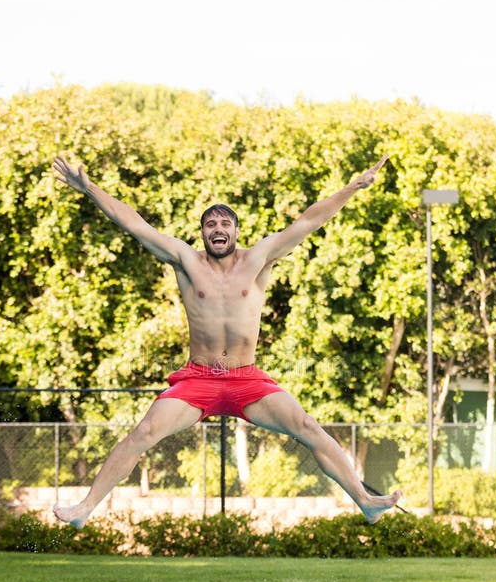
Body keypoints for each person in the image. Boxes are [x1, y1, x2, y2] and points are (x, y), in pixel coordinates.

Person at [52, 153, 404, 528]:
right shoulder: (185, 260)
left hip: (246, 380)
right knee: (145, 432)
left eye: (225, 223)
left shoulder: (259, 259)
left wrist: (353, 186)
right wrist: (89, 189)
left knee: (307, 426)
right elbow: (134, 224)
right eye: (209, 224)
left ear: (236, 231)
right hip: (198, 380)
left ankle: (365, 501)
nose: (217, 228)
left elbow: (310, 220)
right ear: (202, 233)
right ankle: (86, 507)